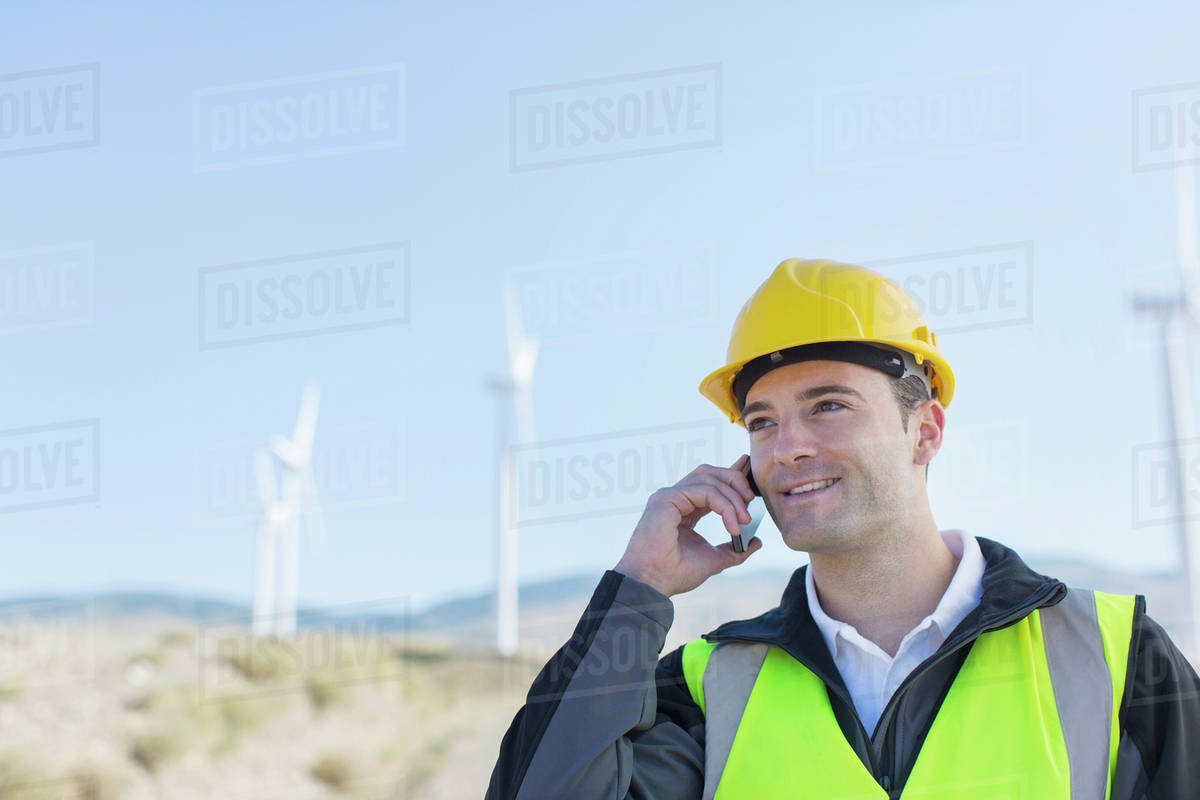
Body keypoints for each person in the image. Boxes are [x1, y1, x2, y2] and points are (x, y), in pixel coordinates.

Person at [485, 259, 1200, 799]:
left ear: (925, 431)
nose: (785, 446)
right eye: (760, 421)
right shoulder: (709, 692)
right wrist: (637, 590)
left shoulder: (1113, 659)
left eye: (827, 405)